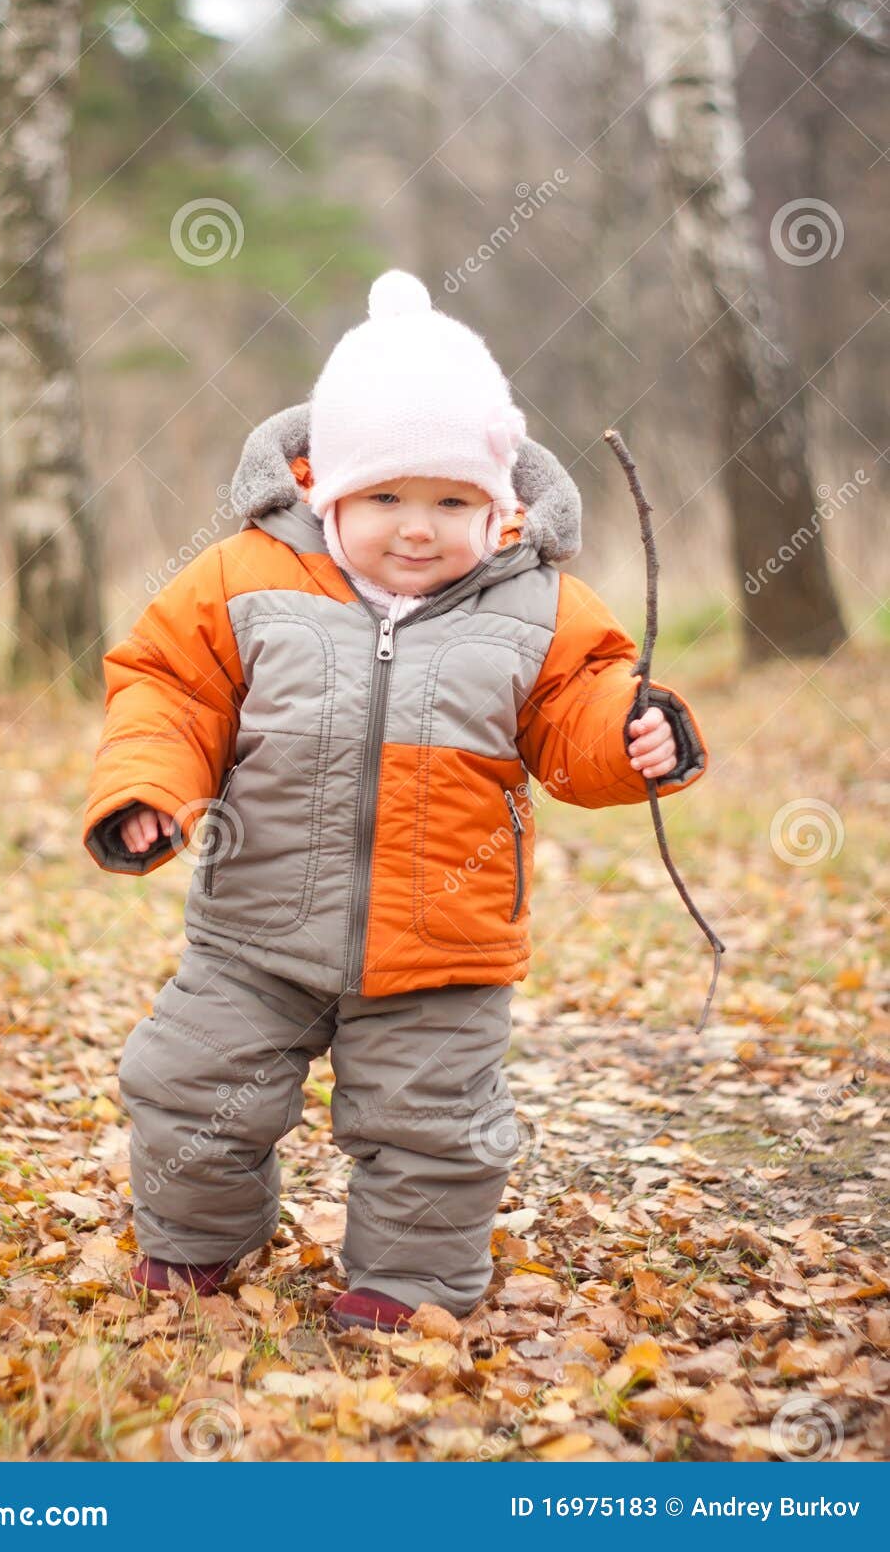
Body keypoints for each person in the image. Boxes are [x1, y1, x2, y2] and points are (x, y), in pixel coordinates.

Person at [82, 270, 709, 1332]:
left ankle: (407, 1287)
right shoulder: (244, 580)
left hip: (443, 944)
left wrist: (634, 731)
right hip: (254, 931)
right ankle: (196, 1243)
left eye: (452, 502)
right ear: (326, 488)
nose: (417, 529)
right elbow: (168, 689)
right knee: (190, 1086)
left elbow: (575, 713)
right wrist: (148, 787)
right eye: (385, 499)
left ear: (500, 503)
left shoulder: (538, 605)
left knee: (433, 1125)